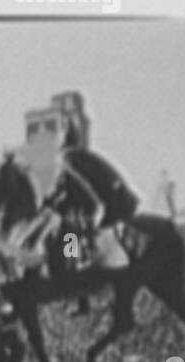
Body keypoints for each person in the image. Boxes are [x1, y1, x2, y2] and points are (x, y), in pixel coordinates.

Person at [45, 122, 140, 314]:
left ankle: (79, 295)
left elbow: (82, 190)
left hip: (99, 208)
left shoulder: (66, 159)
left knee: (69, 237)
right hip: (115, 202)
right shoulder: (81, 156)